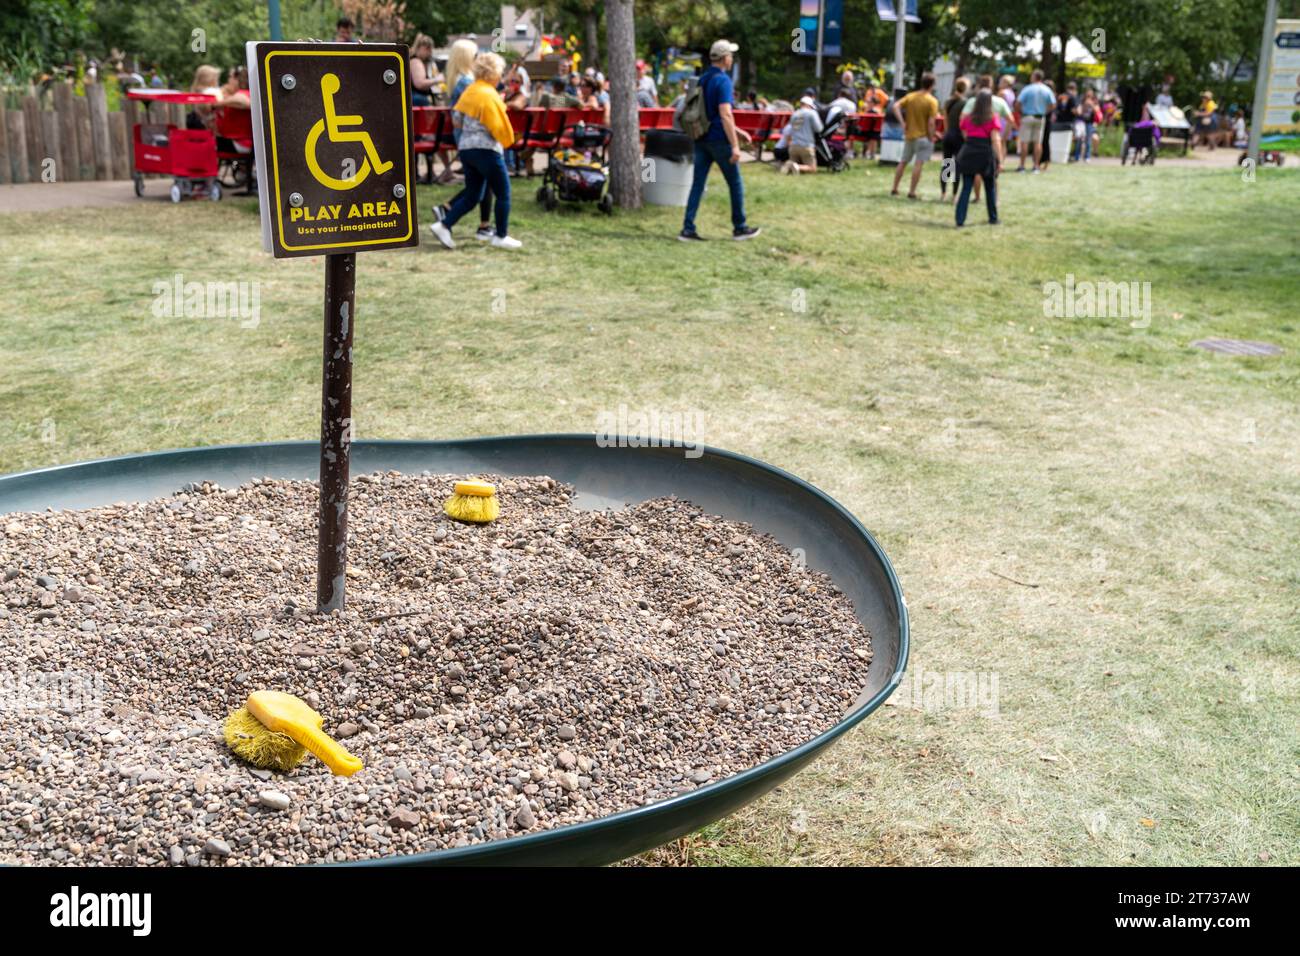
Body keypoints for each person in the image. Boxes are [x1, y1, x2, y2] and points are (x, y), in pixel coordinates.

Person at [430, 52, 521, 250]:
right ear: (494, 73)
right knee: (503, 192)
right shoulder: (489, 94)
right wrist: (508, 140)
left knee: (473, 195)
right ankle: (501, 235)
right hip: (487, 150)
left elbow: (457, 120)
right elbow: (497, 126)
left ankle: (444, 225)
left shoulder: (470, 90)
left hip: (466, 149)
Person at [679, 40, 760, 242]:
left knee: (697, 184)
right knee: (735, 183)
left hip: (701, 137)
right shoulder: (723, 81)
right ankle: (740, 228)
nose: (732, 58)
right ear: (725, 59)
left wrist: (738, 131)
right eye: (731, 55)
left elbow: (710, 113)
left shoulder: (703, 79)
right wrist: (734, 145)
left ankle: (688, 229)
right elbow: (724, 114)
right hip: (719, 140)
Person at [433, 39, 494, 228]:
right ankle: (482, 225)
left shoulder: (459, 79)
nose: (478, 58)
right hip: (474, 137)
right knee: (485, 181)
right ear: (467, 58)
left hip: (466, 137)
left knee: (479, 184)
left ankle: (448, 210)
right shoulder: (467, 82)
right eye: (475, 55)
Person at [954, 90, 1002, 228]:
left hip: (968, 151)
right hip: (985, 153)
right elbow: (995, 140)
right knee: (990, 187)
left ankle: (959, 220)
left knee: (966, 188)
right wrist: (1000, 159)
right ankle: (993, 218)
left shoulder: (968, 118)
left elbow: (965, 135)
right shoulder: (993, 118)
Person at [890, 72, 939, 199]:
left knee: (903, 162)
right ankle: (912, 191)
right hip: (923, 137)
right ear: (932, 85)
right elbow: (931, 122)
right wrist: (931, 136)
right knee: (918, 163)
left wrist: (902, 123)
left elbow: (895, 106)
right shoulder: (932, 101)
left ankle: (895, 188)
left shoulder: (911, 96)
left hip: (910, 135)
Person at [1015, 69, 1053, 172]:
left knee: (1024, 142)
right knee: (1038, 143)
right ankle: (1036, 166)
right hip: (1040, 118)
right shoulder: (1047, 90)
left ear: (1034, 77)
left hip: (1027, 116)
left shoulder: (1027, 89)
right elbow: (1053, 104)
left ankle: (1022, 166)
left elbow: (1018, 103)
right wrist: (1045, 111)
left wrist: (1021, 111)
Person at [939, 78, 968, 202]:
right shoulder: (965, 102)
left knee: (947, 164)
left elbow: (945, 119)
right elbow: (963, 121)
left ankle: (943, 193)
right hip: (958, 136)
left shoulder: (948, 102)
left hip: (948, 135)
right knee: (957, 165)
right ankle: (955, 195)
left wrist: (947, 132)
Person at [782, 95, 822, 174]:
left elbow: (789, 131)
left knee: (795, 169)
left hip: (793, 146)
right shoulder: (812, 113)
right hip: (806, 146)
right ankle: (796, 166)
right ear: (809, 105)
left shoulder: (794, 114)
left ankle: (790, 166)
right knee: (812, 168)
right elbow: (819, 128)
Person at [410, 34, 437, 106]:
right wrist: (437, 79)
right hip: (418, 101)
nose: (430, 52)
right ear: (419, 47)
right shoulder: (416, 61)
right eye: (427, 48)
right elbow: (420, 83)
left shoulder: (421, 61)